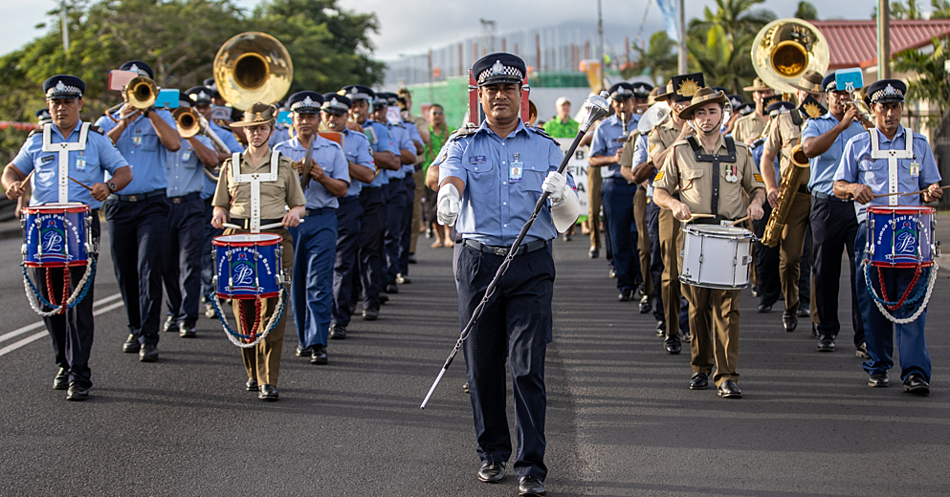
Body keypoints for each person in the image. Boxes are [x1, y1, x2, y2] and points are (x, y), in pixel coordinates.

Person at [435, 52, 580, 497]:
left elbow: (571, 215)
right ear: (480, 96)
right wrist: (448, 194)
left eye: (509, 89)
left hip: (531, 264)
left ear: (522, 95)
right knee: (481, 365)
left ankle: (531, 463)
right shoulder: (462, 143)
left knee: (526, 366)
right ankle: (492, 452)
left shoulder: (548, 146)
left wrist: (561, 197)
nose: (500, 96)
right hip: (478, 262)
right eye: (492, 90)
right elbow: (452, 176)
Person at [2, 75, 132, 400]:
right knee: (49, 300)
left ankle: (79, 374)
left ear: (79, 104)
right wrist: (11, 184)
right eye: (55, 102)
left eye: (67, 102)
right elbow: (12, 171)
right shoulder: (36, 140)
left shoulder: (96, 139)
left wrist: (109, 187)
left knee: (78, 302)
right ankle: (63, 361)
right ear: (49, 105)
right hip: (43, 227)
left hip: (80, 223)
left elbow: (124, 172)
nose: (61, 108)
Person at [653, 87, 766, 398]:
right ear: (692, 118)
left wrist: (757, 203)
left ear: (723, 114)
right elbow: (658, 190)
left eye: (712, 111)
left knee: (728, 309)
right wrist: (674, 205)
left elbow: (758, 188)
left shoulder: (741, 151)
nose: (706, 118)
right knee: (698, 307)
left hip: (731, 235)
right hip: (696, 235)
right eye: (699, 113)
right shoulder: (680, 151)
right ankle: (701, 367)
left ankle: (727, 375)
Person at [833, 79, 941, 395]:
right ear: (874, 109)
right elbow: (838, 186)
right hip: (873, 229)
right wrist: (854, 188)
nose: (890, 114)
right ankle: (878, 365)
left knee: (911, 298)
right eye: (883, 108)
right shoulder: (858, 144)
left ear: (902, 109)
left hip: (909, 229)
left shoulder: (919, 143)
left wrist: (932, 192)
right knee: (873, 299)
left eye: (895, 107)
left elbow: (931, 188)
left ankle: (915, 372)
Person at [211, 102, 306, 401]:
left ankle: (269, 379)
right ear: (244, 131)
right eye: (252, 128)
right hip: (238, 241)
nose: (256, 133)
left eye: (262, 128)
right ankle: (252, 372)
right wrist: (218, 215)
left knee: (274, 309)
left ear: (271, 129)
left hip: (275, 241)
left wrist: (295, 213)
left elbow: (299, 203)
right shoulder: (230, 165)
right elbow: (219, 204)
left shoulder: (285, 165)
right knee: (244, 309)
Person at [96, 60, 181, 362]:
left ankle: (149, 336)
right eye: (129, 85)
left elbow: (173, 144)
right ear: (122, 88)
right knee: (125, 271)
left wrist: (149, 111)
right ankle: (135, 328)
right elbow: (99, 151)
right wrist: (124, 122)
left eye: (140, 85)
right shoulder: (107, 120)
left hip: (153, 205)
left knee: (149, 269)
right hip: (119, 206)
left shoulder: (162, 115)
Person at [274, 91, 350, 365]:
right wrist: (290, 178)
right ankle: (304, 339)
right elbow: (271, 194)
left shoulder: (332, 150)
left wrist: (321, 176)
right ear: (291, 119)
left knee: (318, 281)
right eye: (300, 116)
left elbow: (342, 189)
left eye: (311, 116)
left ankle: (318, 341)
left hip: (322, 219)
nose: (305, 121)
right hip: (290, 222)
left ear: (319, 119)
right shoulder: (280, 152)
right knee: (294, 282)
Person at [802, 72, 871, 354]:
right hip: (826, 204)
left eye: (847, 94)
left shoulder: (861, 125)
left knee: (861, 271)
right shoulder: (816, 123)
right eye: (838, 94)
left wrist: (862, 120)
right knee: (826, 269)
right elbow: (809, 150)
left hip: (856, 205)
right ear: (827, 97)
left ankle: (864, 337)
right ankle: (827, 330)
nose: (844, 99)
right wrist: (842, 126)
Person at [758, 71, 823, 332]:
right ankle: (791, 305)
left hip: (820, 194)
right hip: (792, 194)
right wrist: (771, 186)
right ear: (798, 94)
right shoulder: (784, 120)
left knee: (821, 259)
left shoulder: (828, 122)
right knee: (791, 257)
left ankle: (821, 320)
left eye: (817, 95)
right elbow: (767, 157)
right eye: (808, 93)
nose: (813, 98)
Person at [162, 94, 219, 339]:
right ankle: (174, 311)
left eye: (183, 112)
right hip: (162, 207)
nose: (178, 116)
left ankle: (188, 317)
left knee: (190, 263)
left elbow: (213, 160)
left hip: (191, 205)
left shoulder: (200, 137)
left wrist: (190, 135)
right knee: (167, 265)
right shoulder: (160, 137)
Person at [341, 85, 400, 320]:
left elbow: (393, 162)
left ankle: (371, 300)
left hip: (372, 195)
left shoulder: (379, 130)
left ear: (369, 107)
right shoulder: (333, 132)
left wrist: (363, 146)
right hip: (345, 196)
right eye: (352, 105)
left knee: (370, 248)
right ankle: (348, 299)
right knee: (347, 252)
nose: (357, 110)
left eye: (362, 105)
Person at [648, 76, 698, 350]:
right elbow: (656, 164)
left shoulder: (706, 126)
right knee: (671, 271)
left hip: (699, 205)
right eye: (680, 101)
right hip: (669, 202)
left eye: (690, 100)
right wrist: (681, 138)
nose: (685, 105)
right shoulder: (659, 131)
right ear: (670, 103)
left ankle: (693, 324)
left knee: (697, 268)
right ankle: (672, 329)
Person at [186, 85, 244, 320]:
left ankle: (217, 294)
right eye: (196, 107)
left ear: (212, 108)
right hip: (191, 200)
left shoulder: (223, 135)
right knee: (195, 253)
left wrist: (214, 156)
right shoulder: (180, 132)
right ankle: (205, 296)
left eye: (205, 106)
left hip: (214, 199)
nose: (201, 111)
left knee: (215, 250)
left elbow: (240, 158)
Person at [321, 93, 375, 340]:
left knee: (341, 264)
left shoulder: (359, 140)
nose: (333, 119)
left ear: (346, 115)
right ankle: (316, 316)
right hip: (317, 207)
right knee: (316, 266)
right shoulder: (308, 139)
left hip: (347, 204)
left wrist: (340, 159)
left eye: (338, 115)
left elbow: (368, 174)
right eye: (328, 114)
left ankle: (337, 319)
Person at [589, 82, 643, 301]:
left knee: (639, 235)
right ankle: (625, 283)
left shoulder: (643, 125)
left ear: (632, 102)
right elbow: (593, 159)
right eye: (618, 102)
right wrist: (614, 158)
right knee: (618, 236)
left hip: (639, 184)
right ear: (612, 104)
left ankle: (642, 280)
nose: (622, 106)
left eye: (626, 101)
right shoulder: (603, 127)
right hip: (615, 185)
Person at [373, 93, 416, 294]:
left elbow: (412, 154)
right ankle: (377, 279)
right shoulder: (361, 132)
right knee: (375, 235)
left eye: (381, 109)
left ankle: (392, 275)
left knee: (394, 231)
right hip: (374, 187)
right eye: (374, 108)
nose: (377, 113)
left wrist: (389, 148)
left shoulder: (399, 129)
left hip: (396, 185)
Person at [397, 87, 430, 265]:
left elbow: (425, 140)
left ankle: (410, 249)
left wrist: (409, 123)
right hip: (394, 170)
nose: (402, 104)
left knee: (414, 210)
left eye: (405, 101)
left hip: (414, 169)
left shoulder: (416, 121)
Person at [422, 104, 455, 248]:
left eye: (440, 113)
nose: (437, 115)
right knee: (431, 210)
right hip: (428, 176)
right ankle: (438, 238)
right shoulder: (425, 133)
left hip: (447, 176)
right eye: (434, 113)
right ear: (429, 116)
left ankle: (448, 236)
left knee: (447, 204)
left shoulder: (452, 132)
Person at [732, 77, 774, 146]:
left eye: (768, 92)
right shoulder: (741, 124)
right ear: (754, 96)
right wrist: (744, 146)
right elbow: (732, 152)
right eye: (760, 92)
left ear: (774, 95)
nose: (764, 96)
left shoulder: (781, 121)